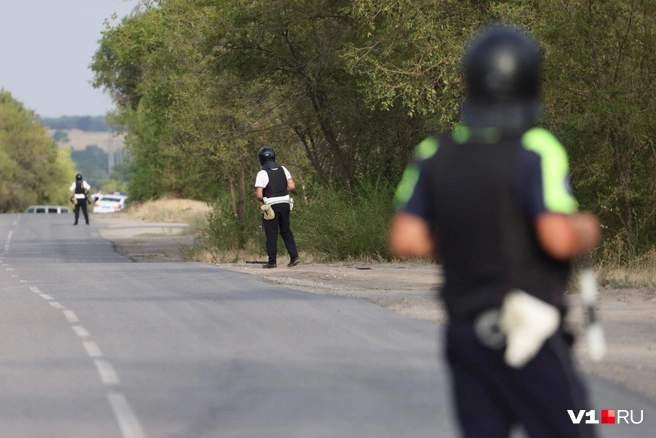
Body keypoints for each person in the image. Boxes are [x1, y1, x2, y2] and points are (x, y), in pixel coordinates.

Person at [389, 25, 601, 438]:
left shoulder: (434, 152)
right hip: (529, 327)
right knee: (580, 425)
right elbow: (556, 238)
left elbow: (406, 238)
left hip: (466, 332)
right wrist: (584, 231)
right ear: (529, 80)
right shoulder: (536, 148)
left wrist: (464, 232)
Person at [254, 146, 300, 268]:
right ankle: (294, 256)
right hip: (285, 203)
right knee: (286, 231)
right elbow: (291, 186)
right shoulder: (283, 169)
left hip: (271, 206)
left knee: (271, 233)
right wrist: (280, 191)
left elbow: (259, 195)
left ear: (261, 159)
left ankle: (272, 261)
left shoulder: (262, 173)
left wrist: (268, 195)